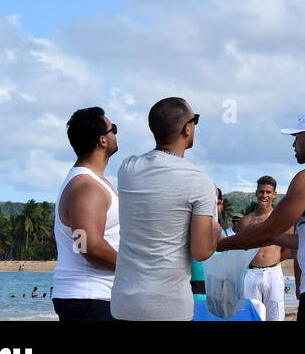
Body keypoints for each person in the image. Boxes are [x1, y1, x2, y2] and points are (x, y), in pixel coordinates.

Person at [216, 110, 305, 322]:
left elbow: (269, 229)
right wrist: (269, 237)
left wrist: (221, 244)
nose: (293, 145)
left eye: (296, 138)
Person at [111, 97, 219, 321]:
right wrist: (215, 232)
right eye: (195, 120)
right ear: (187, 128)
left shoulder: (128, 168)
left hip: (124, 303)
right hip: (168, 307)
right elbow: (201, 251)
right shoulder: (199, 181)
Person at [52, 109, 122, 322]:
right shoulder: (87, 187)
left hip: (94, 298)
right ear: (102, 140)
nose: (116, 135)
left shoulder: (92, 181)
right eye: (114, 129)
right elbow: (87, 245)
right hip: (90, 298)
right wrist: (135, 267)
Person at [238, 176, 287, 321]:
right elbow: (239, 248)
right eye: (261, 192)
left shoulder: (282, 218)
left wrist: (272, 261)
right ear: (256, 193)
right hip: (251, 273)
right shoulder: (245, 221)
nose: (264, 195)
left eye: (268, 192)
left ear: (274, 194)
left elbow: (287, 249)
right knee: (251, 314)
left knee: (275, 315)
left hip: (273, 272)